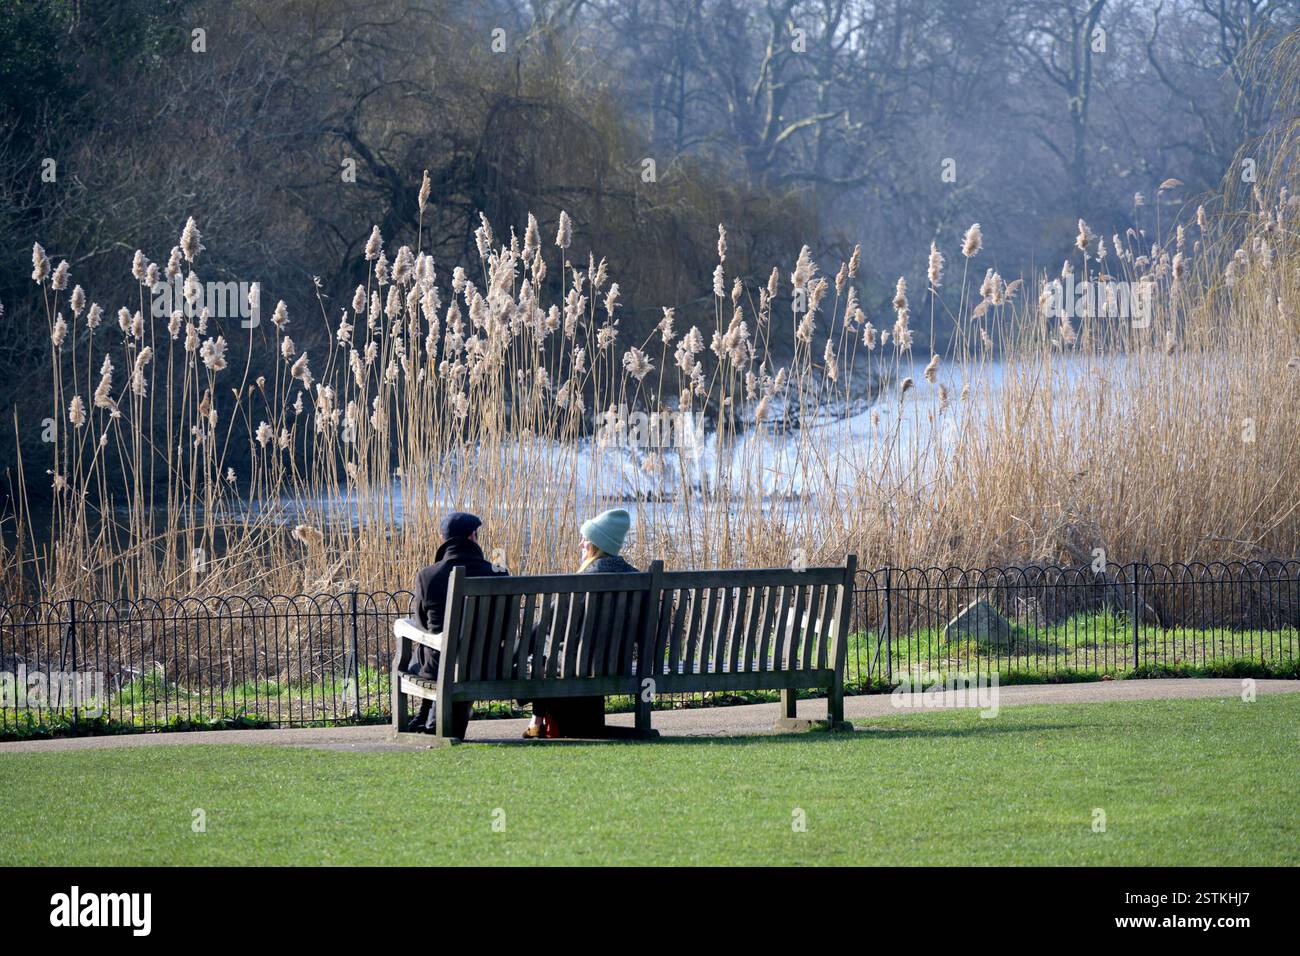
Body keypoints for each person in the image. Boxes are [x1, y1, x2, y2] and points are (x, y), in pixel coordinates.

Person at [523, 508, 637, 738]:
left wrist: (521, 646)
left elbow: (551, 624)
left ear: (597, 544)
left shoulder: (582, 580)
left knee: (538, 655)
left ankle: (537, 720)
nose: (580, 544)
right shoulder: (637, 578)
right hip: (619, 665)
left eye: (585, 540)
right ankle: (539, 721)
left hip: (579, 665)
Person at [405, 511, 507, 735]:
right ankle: (430, 722)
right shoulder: (498, 572)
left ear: (443, 539)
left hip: (441, 666)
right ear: (473, 536)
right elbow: (509, 625)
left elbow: (421, 623)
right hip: (489, 665)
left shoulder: (427, 575)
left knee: (424, 651)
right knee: (447, 655)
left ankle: (429, 721)